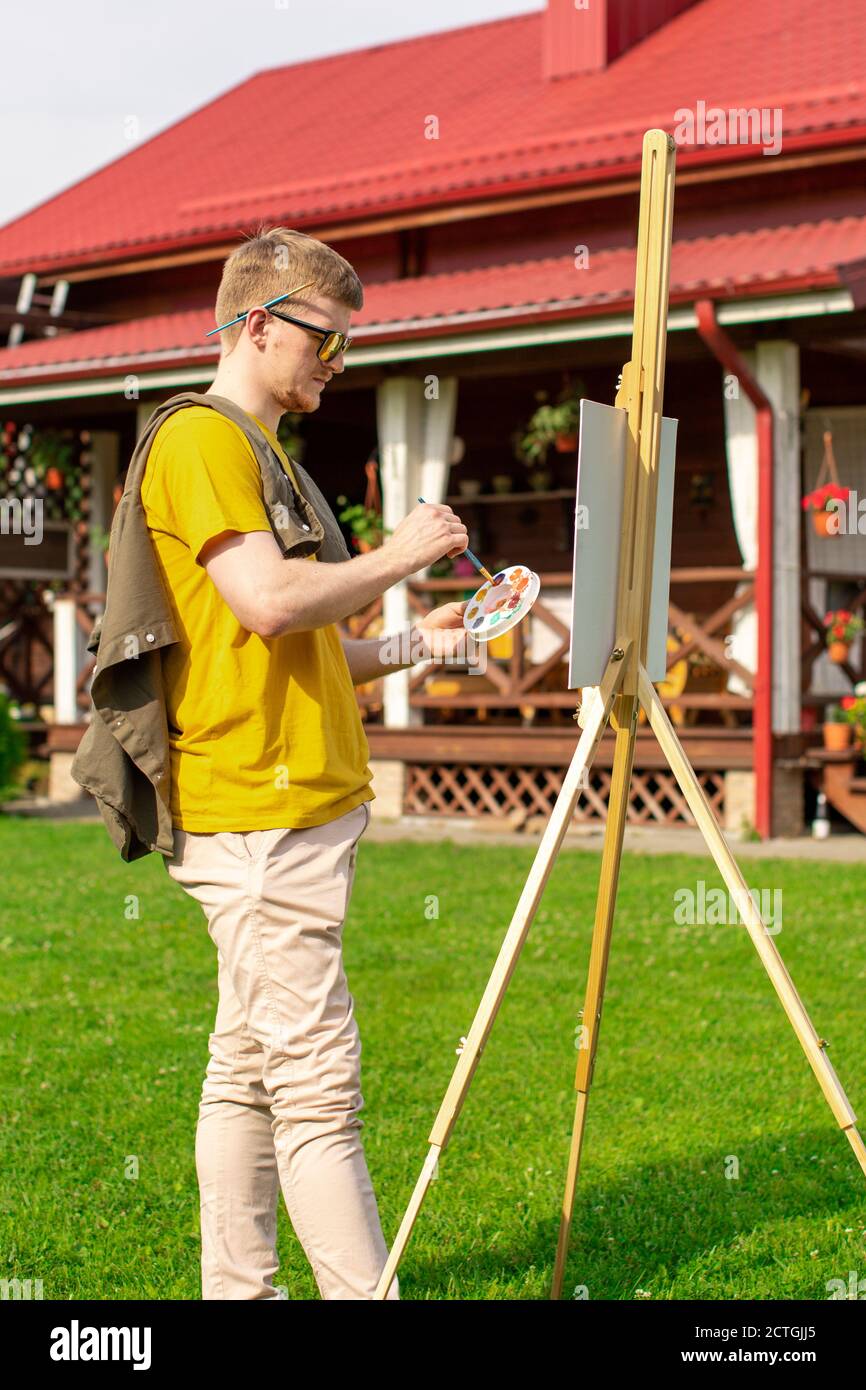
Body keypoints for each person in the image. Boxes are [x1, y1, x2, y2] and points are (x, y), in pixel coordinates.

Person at [142, 225, 471, 1299]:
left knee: (246, 1070)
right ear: (254, 325)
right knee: (317, 1088)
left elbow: (309, 641)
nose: (335, 364)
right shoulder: (202, 442)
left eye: (344, 347)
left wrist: (428, 640)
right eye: (324, 342)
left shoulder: (267, 453)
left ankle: (237, 1291)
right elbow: (270, 602)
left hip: (281, 815)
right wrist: (402, 554)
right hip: (257, 816)